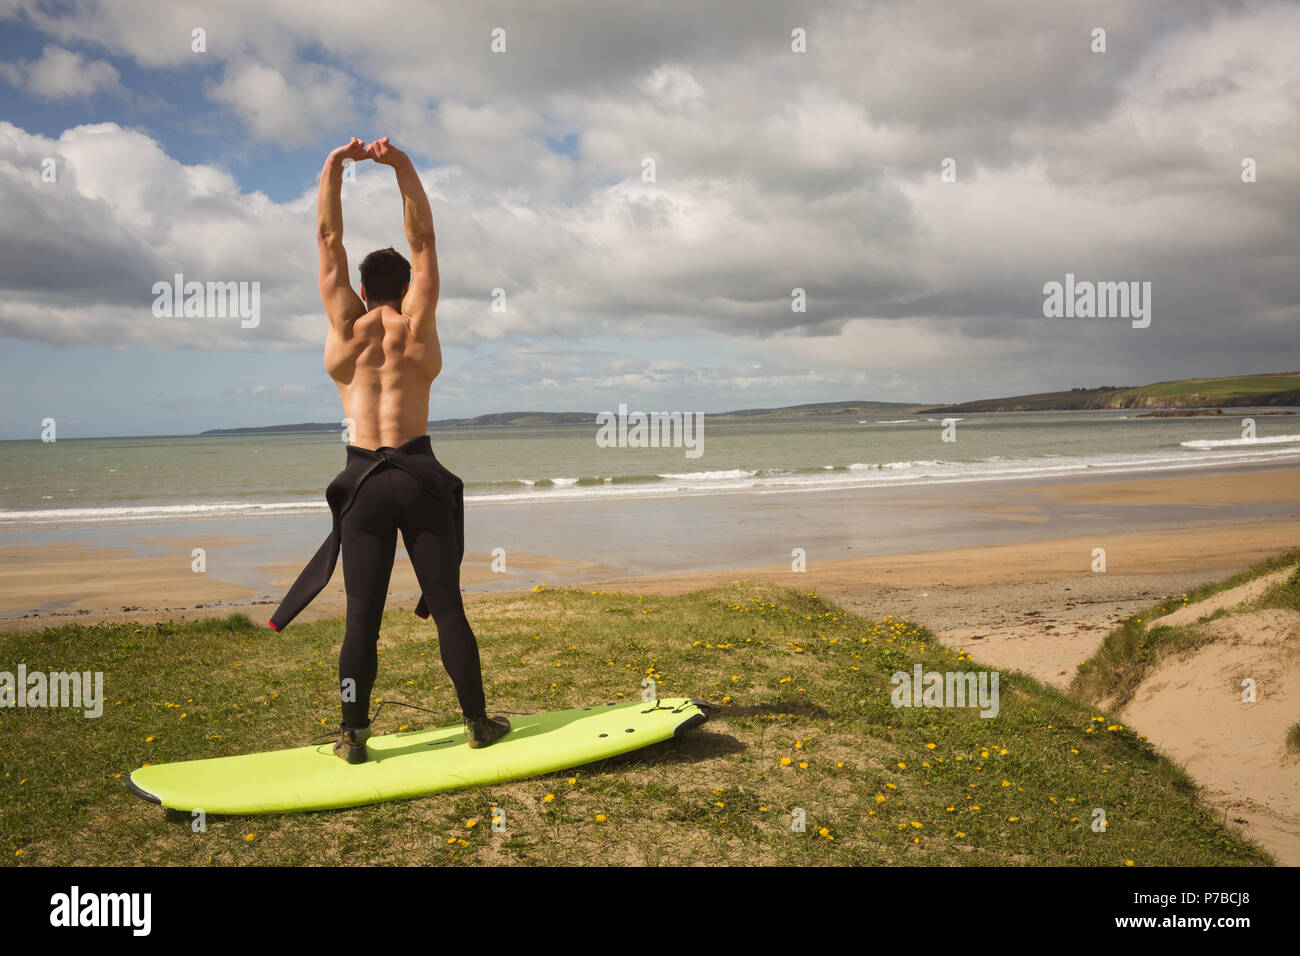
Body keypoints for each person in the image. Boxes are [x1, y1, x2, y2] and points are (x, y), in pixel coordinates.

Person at [268, 136, 509, 763]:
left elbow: (327, 242)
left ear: (361, 289)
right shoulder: (418, 327)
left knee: (361, 616)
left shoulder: (346, 333)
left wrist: (333, 167)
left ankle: (353, 734)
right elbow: (425, 243)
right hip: (421, 474)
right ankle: (478, 722)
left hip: (363, 484)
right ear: (405, 287)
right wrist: (401, 163)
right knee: (450, 609)